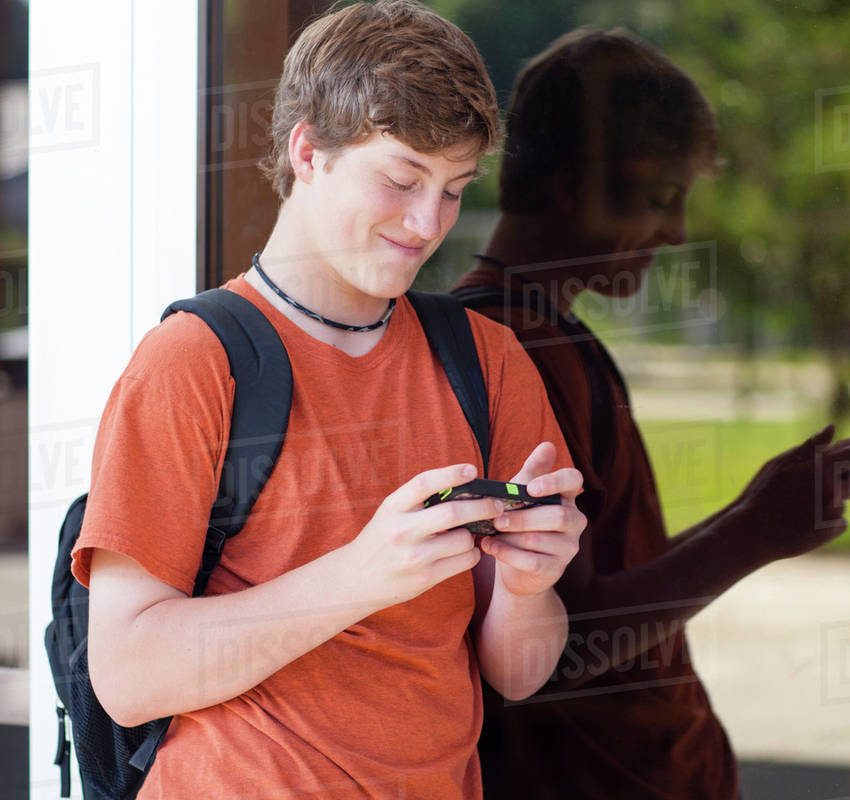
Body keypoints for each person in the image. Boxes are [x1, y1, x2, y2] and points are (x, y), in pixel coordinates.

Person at [72, 3, 585, 798]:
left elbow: (519, 673)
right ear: (308, 150)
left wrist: (527, 586)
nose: (428, 224)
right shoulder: (194, 363)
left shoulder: (486, 361)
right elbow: (129, 674)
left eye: (453, 189)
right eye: (401, 179)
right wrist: (362, 575)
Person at [454, 28, 850, 799]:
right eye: (659, 200)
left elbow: (603, 581)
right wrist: (752, 534)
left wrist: (751, 513)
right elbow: (553, 654)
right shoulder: (514, 353)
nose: (675, 234)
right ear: (574, 186)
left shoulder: (552, 334)